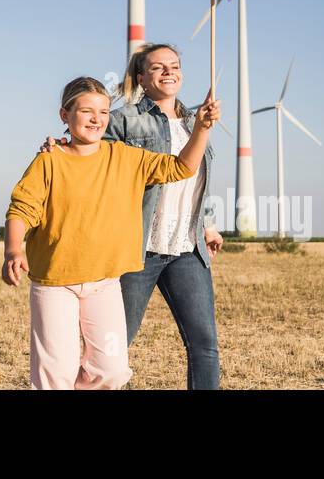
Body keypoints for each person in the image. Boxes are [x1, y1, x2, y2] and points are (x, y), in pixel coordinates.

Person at [3, 75, 218, 389]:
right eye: (86, 111)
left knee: (113, 371)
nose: (96, 119)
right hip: (54, 282)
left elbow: (181, 168)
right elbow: (21, 209)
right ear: (65, 115)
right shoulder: (49, 161)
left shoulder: (125, 157)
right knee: (56, 374)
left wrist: (201, 129)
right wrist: (12, 249)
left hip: (104, 282)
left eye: (103, 112)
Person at [109, 43, 223, 389]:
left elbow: (196, 180)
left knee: (205, 346)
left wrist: (207, 225)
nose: (168, 72)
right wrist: (59, 145)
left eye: (174, 65)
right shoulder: (122, 119)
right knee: (114, 347)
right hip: (138, 248)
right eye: (158, 67)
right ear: (141, 77)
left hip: (186, 247)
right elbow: (88, 157)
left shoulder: (196, 119)